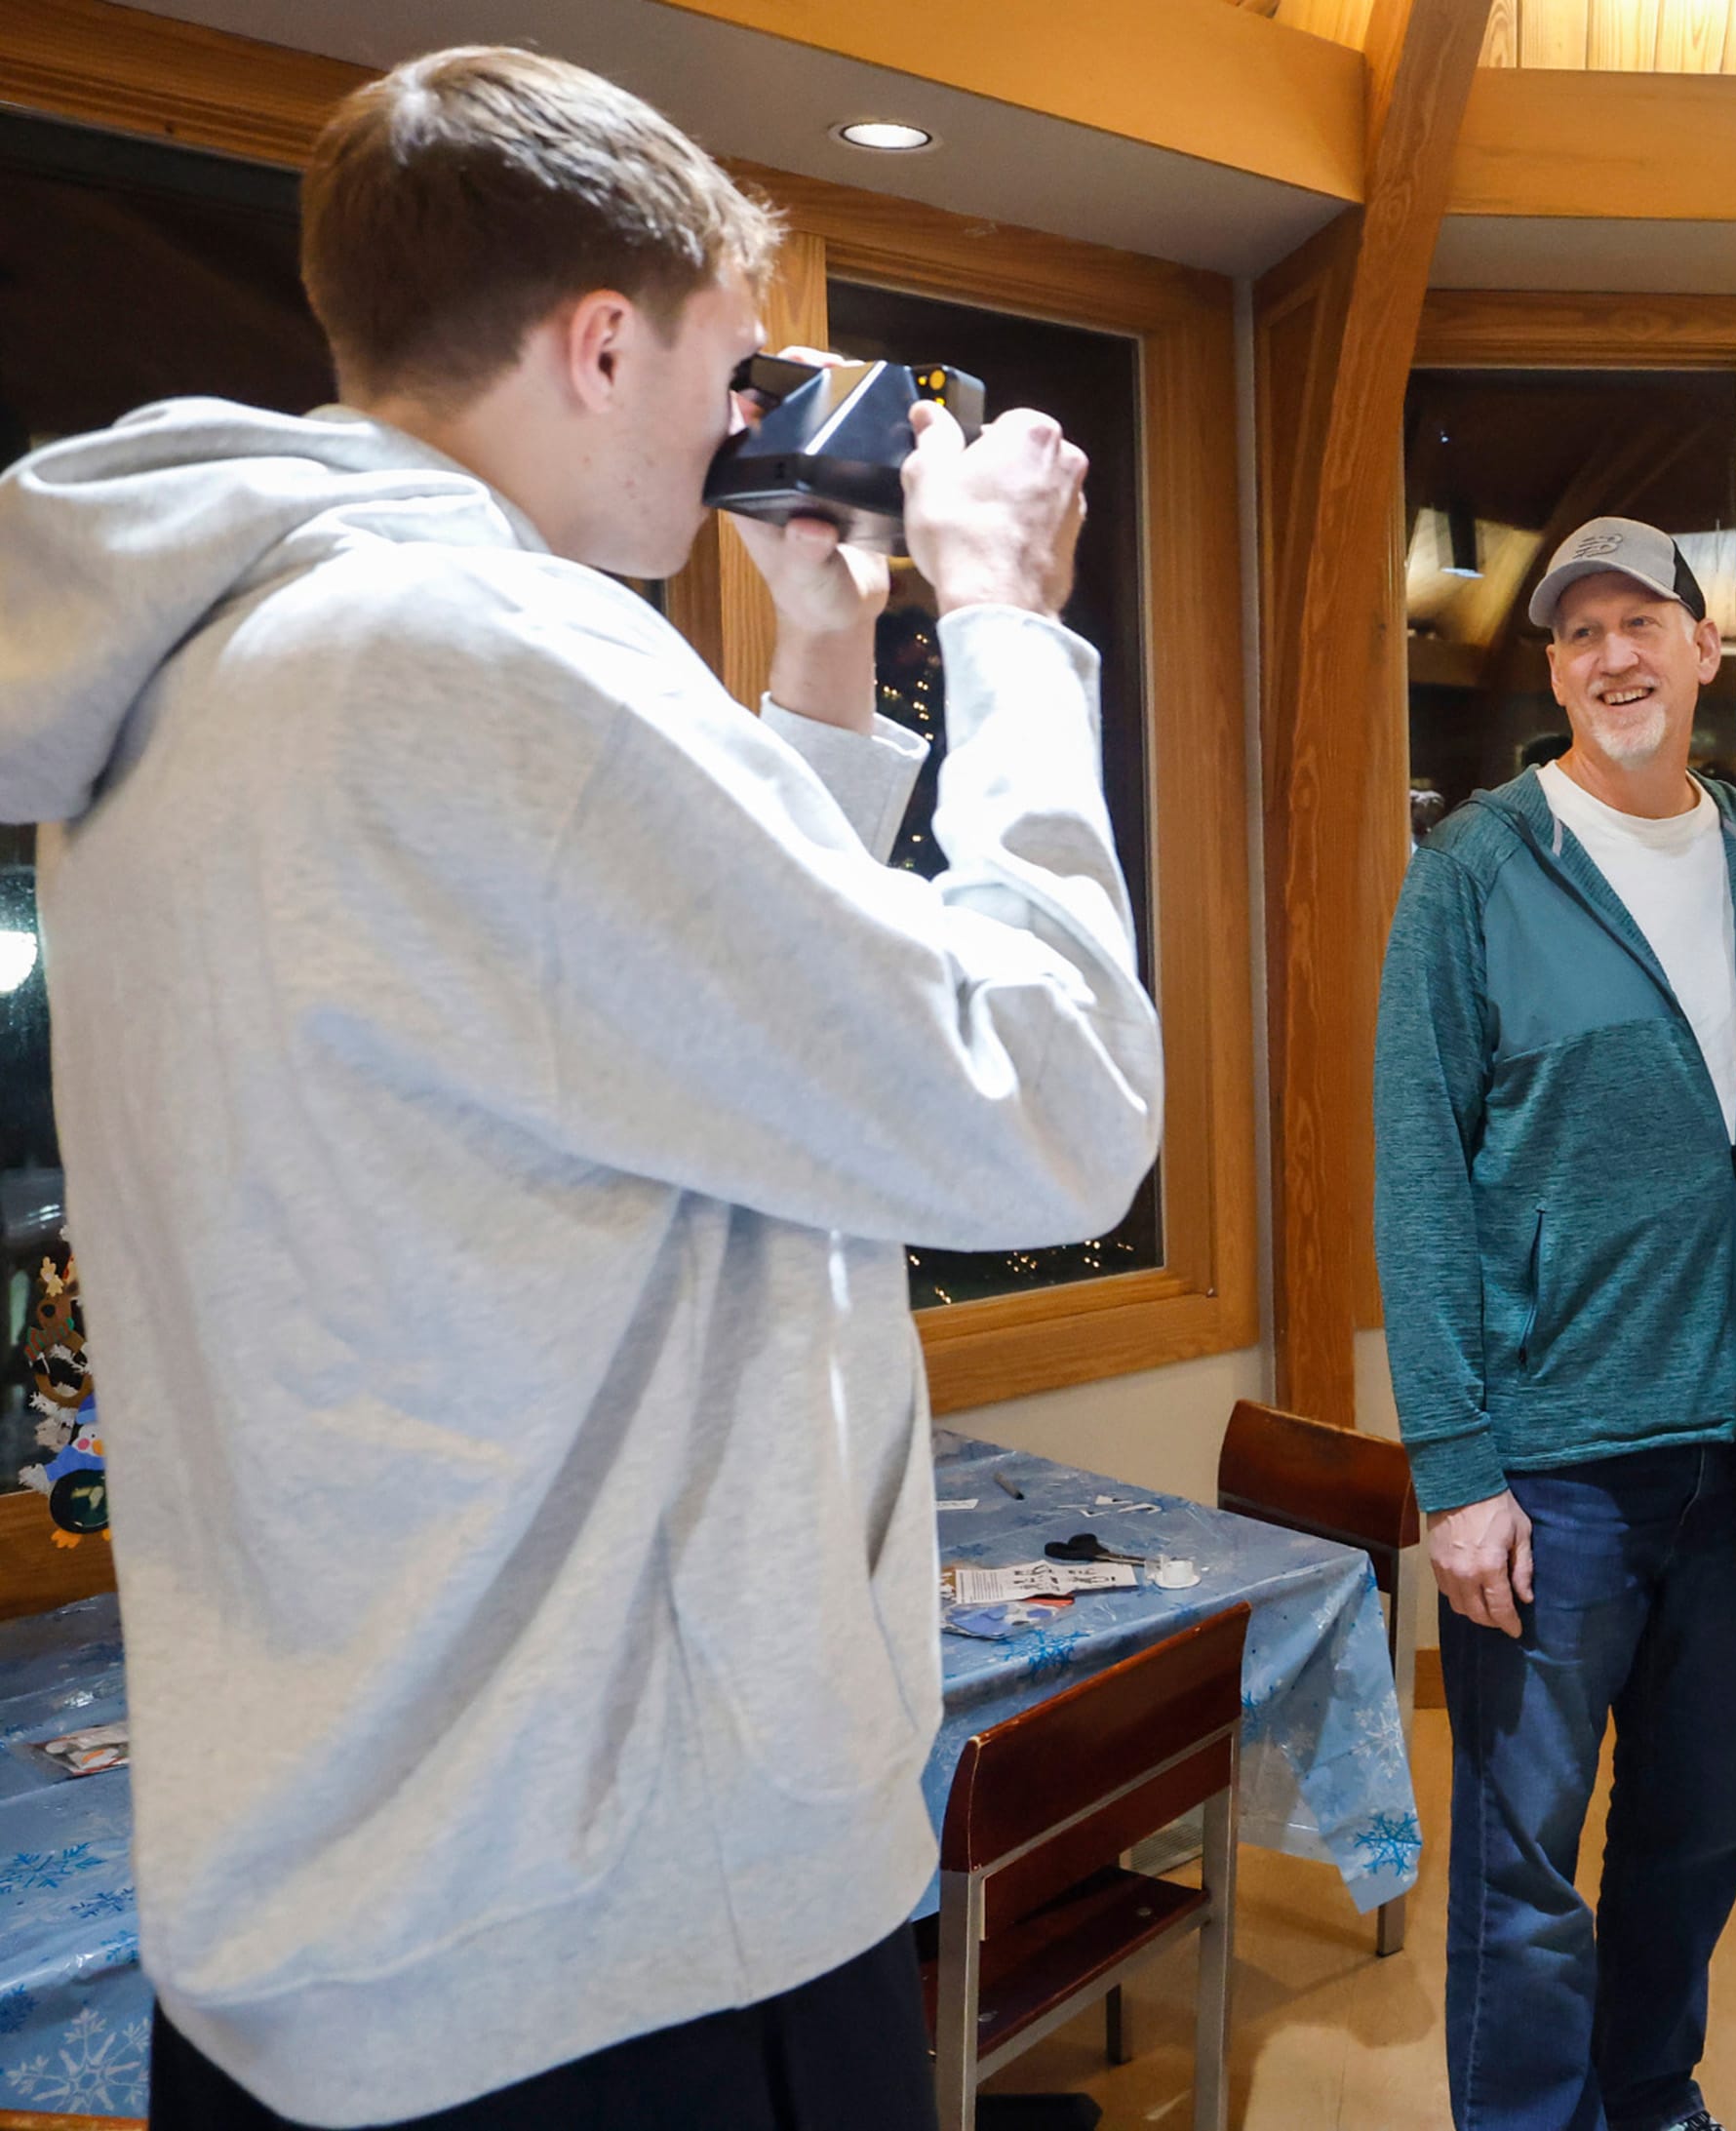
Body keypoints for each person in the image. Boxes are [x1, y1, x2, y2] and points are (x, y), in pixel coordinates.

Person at [0, 47, 1161, 2131]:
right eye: (730, 359)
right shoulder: (487, 658)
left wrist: (820, 664)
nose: (747, 418)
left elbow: (654, 1047)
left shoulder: (213, 661)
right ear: (602, 339)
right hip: (604, 1963)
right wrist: (1002, 642)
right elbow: (1046, 1105)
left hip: (353, 1930)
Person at [1374, 517, 1736, 2131]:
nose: (1614, 656)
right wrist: (1455, 1465)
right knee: (1522, 1856)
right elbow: (1419, 1174)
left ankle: (1649, 2093)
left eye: (1645, 621)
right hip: (1550, 1466)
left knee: (1702, 1826)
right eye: (1579, 634)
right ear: (1555, 669)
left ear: (1708, 649)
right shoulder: (1481, 867)